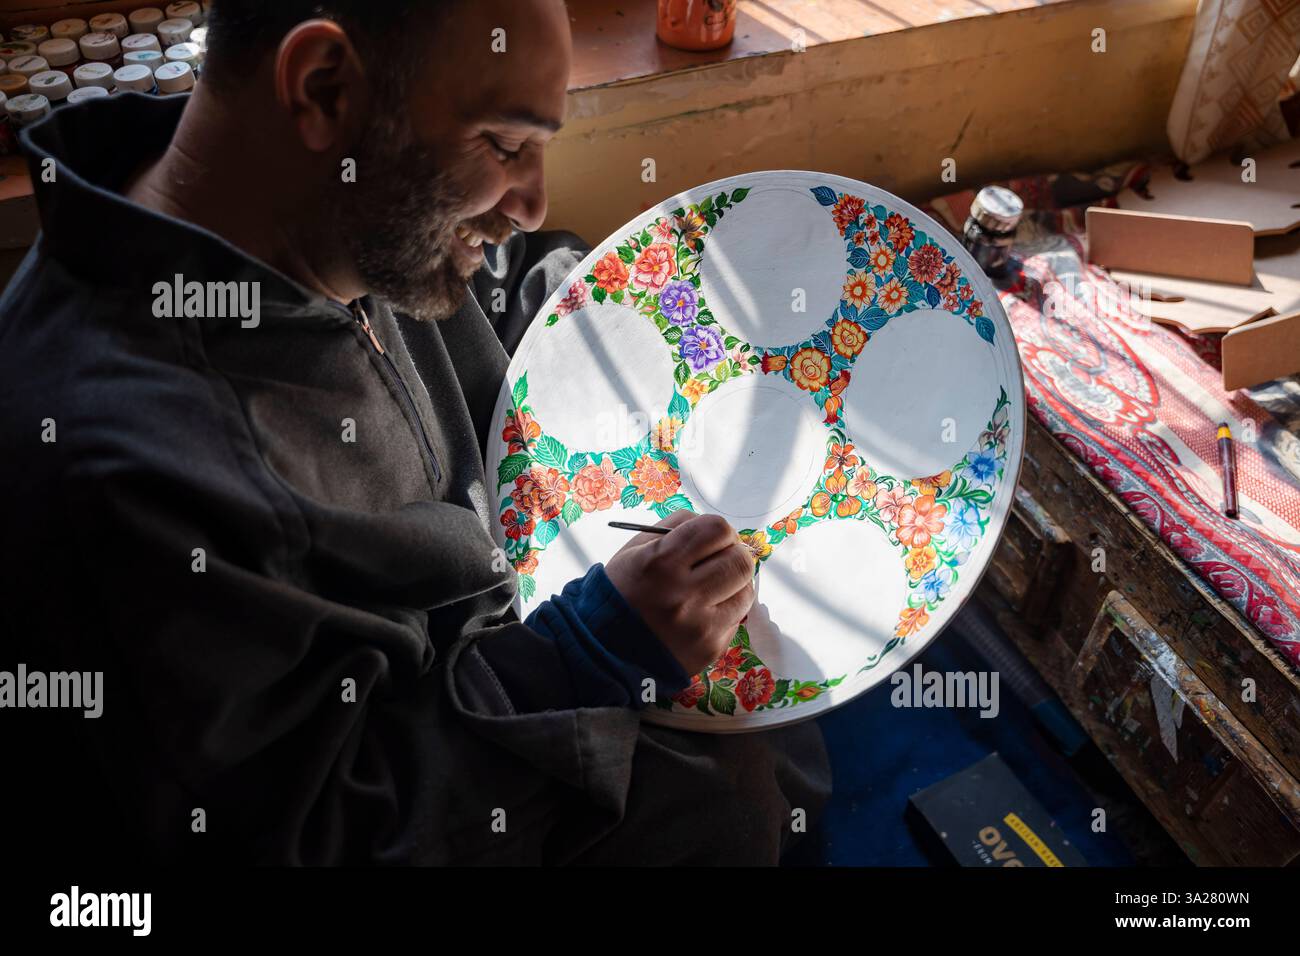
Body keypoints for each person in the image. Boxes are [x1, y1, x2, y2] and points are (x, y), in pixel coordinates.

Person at [0, 0, 830, 865]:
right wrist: (584, 660)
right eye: (506, 147)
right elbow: (318, 831)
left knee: (774, 699)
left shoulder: (325, 213)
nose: (533, 199)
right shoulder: (125, 482)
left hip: (498, 648)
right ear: (323, 88)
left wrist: (617, 321)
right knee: (730, 794)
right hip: (446, 768)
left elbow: (501, 282)